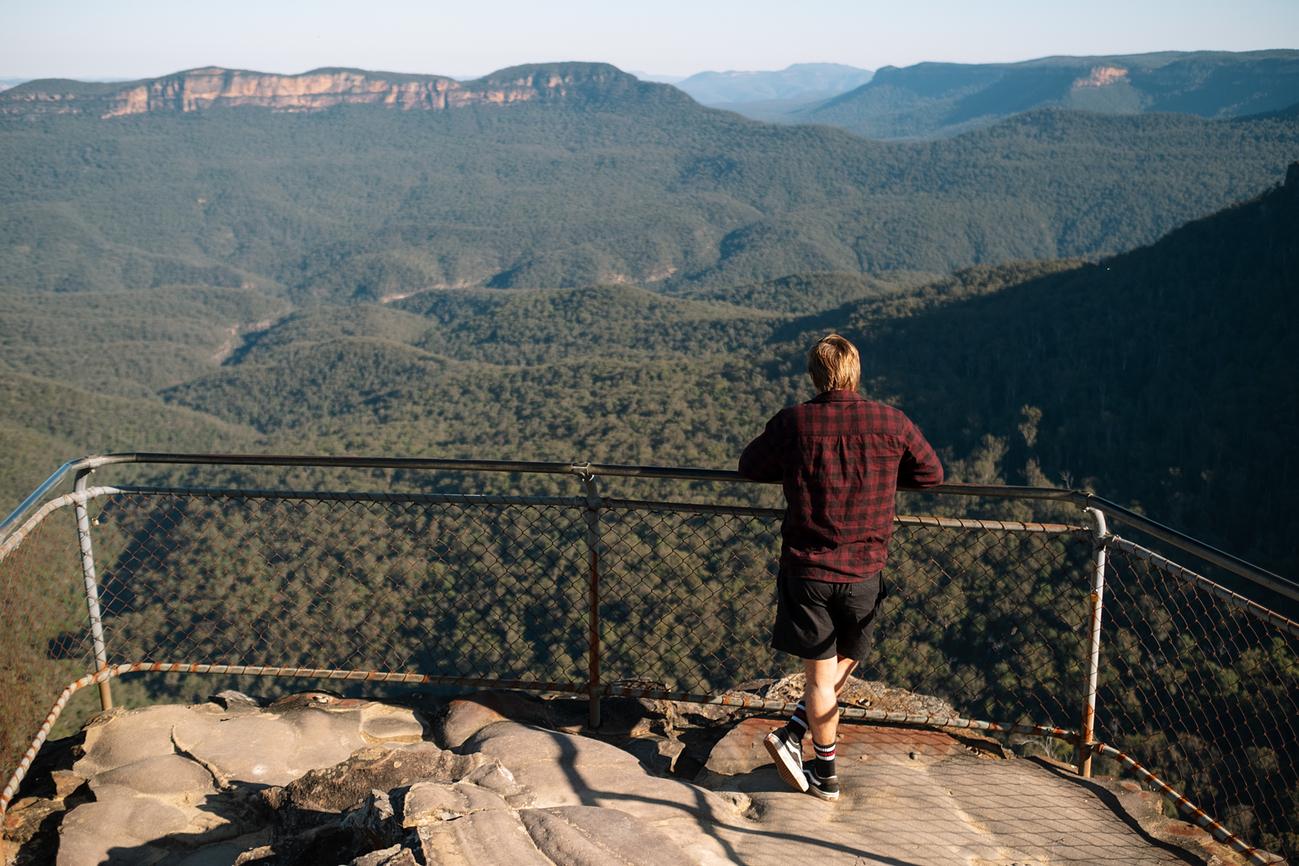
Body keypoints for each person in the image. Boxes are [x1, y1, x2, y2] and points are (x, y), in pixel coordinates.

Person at [738, 333, 943, 800]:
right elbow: (932, 474)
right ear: (855, 372)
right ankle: (815, 763)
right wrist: (886, 469)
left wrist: (796, 466)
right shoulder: (891, 422)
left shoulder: (794, 424)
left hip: (807, 569)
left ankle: (804, 744)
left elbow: (749, 466)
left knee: (820, 675)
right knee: (845, 660)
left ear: (815, 375)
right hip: (864, 567)